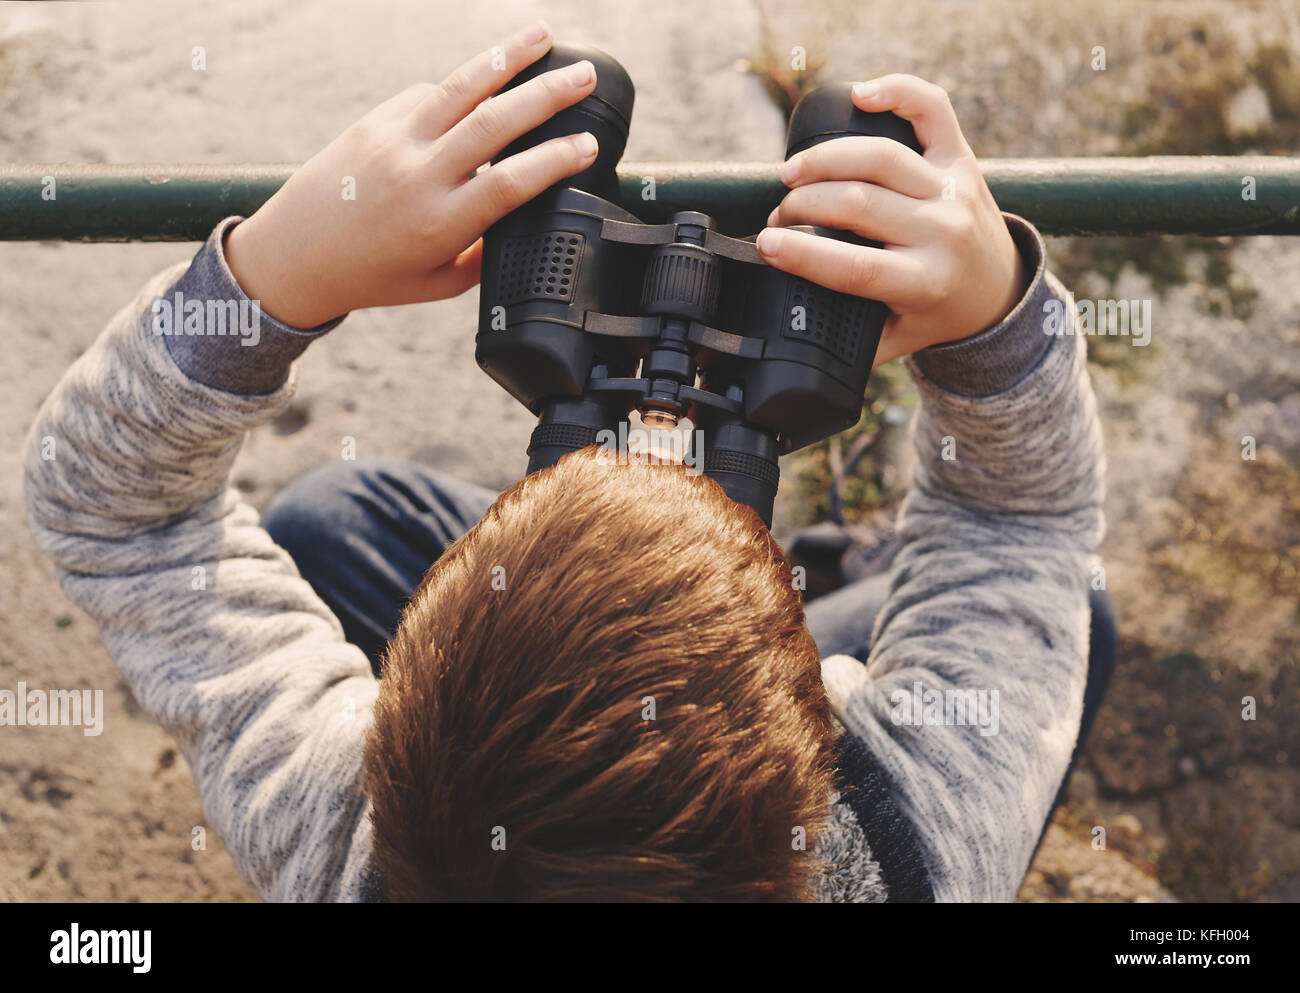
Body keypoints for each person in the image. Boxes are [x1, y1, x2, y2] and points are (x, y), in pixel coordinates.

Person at [23, 21, 1112, 901]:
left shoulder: (351, 852)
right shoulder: (918, 849)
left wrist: (278, 267)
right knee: (1078, 619)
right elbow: (1023, 529)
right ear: (816, 736)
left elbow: (114, 508)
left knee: (333, 518)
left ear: (386, 745)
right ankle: (831, 569)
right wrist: (994, 320)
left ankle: (804, 569)